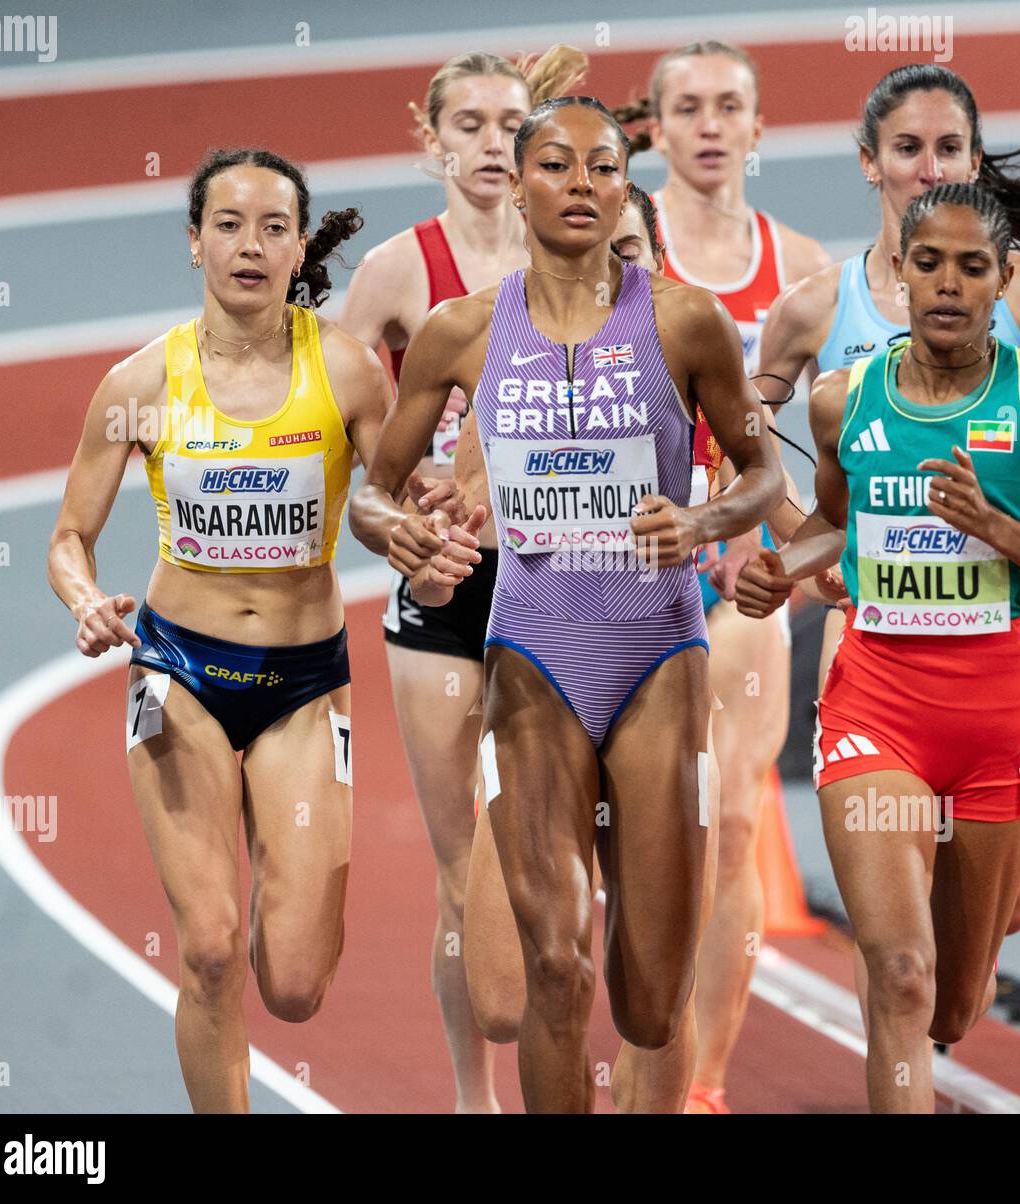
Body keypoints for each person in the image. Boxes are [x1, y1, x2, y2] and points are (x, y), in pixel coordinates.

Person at [351, 96, 785, 1113]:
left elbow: (763, 473)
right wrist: (398, 533)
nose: (580, 183)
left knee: (645, 1003)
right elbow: (372, 486)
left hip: (657, 660)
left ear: (625, 184)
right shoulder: (462, 330)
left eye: (601, 165)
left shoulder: (683, 321)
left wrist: (707, 521)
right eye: (557, 164)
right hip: (532, 654)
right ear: (522, 181)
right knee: (553, 969)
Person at [737, 183, 1020, 1112]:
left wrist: (999, 528)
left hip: (1002, 716)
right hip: (879, 705)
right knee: (902, 977)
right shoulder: (842, 401)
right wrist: (784, 568)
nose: (948, 284)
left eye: (972, 267)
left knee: (952, 1004)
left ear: (1003, 280)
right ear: (899, 278)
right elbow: (840, 527)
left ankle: (962, 990)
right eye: (928, 264)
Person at [757, 63, 1020, 961]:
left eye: (950, 147)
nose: (930, 168)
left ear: (973, 155)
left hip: (1008, 640)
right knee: (900, 914)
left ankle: (938, 1012)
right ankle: (906, 1036)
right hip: (872, 642)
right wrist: (811, 546)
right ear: (869, 162)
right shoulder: (817, 306)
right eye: (908, 149)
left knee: (995, 914)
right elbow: (735, 431)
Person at [46, 148, 386, 1112]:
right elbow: (70, 535)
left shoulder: (350, 372)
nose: (250, 244)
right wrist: (83, 597)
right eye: (228, 225)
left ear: (297, 246)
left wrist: (421, 527)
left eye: (274, 227)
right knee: (206, 951)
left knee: (295, 984)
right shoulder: (139, 384)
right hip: (179, 672)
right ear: (194, 243)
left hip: (306, 683)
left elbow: (394, 501)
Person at [338, 44, 586, 1115]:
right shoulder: (399, 271)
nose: (491, 143)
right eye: (471, 125)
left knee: (552, 871)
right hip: (446, 589)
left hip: (568, 583)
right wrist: (394, 511)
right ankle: (471, 1100)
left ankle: (558, 1080)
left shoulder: (587, 251)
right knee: (461, 874)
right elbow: (336, 439)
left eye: (509, 124)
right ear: (430, 140)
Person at [613, 38, 831, 1114]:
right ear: (651, 127)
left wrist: (803, 544)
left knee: (738, 821)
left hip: (738, 572)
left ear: (758, 127)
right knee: (645, 831)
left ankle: (701, 1085)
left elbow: (808, 437)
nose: (708, 125)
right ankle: (629, 1057)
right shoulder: (620, 241)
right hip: (620, 570)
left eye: (727, 106)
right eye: (686, 107)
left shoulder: (796, 268)